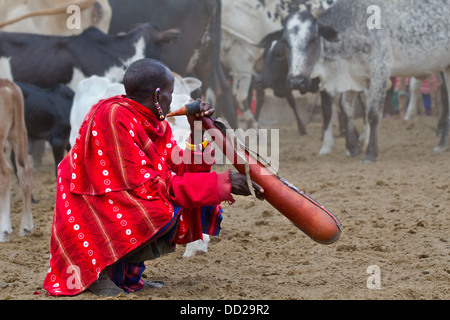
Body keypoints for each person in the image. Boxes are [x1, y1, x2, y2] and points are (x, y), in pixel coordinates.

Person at [43, 58, 263, 297]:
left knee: (181, 203)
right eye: (171, 93)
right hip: (89, 204)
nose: (173, 100)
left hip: (116, 198)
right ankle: (98, 275)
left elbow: (177, 170)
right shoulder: (112, 116)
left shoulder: (153, 123)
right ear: (158, 96)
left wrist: (197, 128)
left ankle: (129, 275)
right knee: (161, 209)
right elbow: (150, 187)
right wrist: (225, 182)